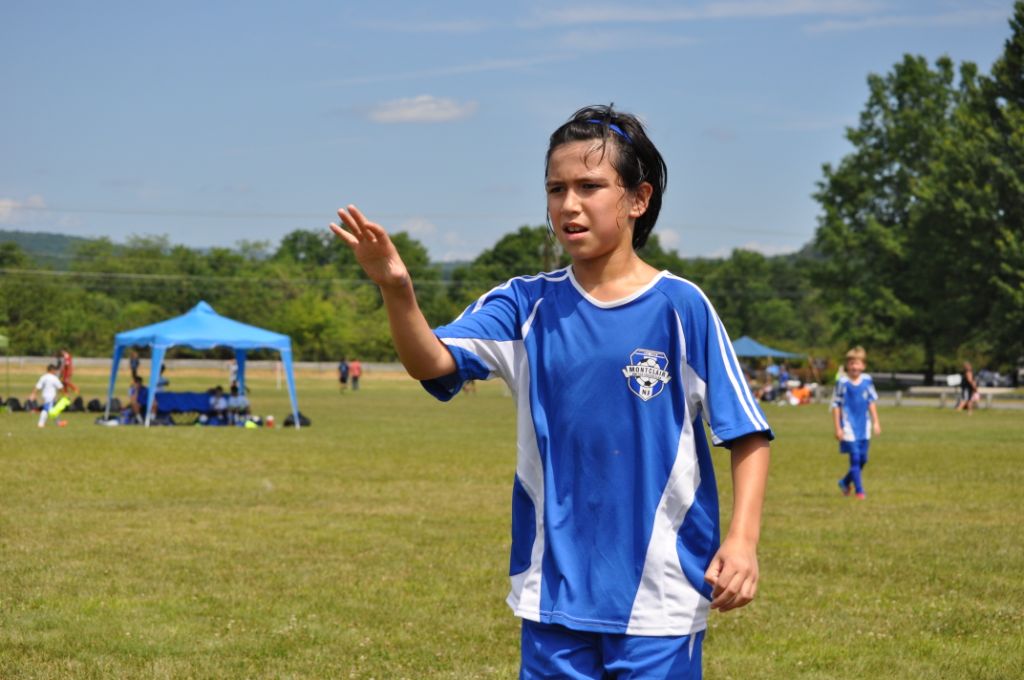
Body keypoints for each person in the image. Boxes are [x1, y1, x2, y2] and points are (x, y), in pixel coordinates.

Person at [329, 104, 772, 679]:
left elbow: (747, 432)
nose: (569, 204)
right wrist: (397, 289)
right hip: (551, 593)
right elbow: (431, 362)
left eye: (590, 186)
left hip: (661, 596)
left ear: (637, 199)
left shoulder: (681, 308)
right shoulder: (523, 304)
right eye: (555, 188)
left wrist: (742, 541)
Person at [832, 346, 881, 500]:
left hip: (864, 426)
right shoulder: (842, 382)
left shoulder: (867, 381)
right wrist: (838, 428)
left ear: (863, 365)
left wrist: (876, 422)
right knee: (855, 459)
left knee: (863, 459)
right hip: (848, 427)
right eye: (851, 363)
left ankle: (845, 482)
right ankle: (860, 491)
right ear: (847, 365)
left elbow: (871, 402)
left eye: (857, 363)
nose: (854, 366)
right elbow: (836, 405)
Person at [29, 364, 63, 428]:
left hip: (45, 396)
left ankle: (58, 422)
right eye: (55, 370)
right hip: (50, 396)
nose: (56, 372)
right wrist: (64, 394)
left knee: (50, 409)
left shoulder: (43, 377)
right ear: (52, 370)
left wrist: (33, 394)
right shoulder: (54, 378)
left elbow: (37, 386)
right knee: (48, 410)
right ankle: (42, 424)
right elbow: (60, 387)